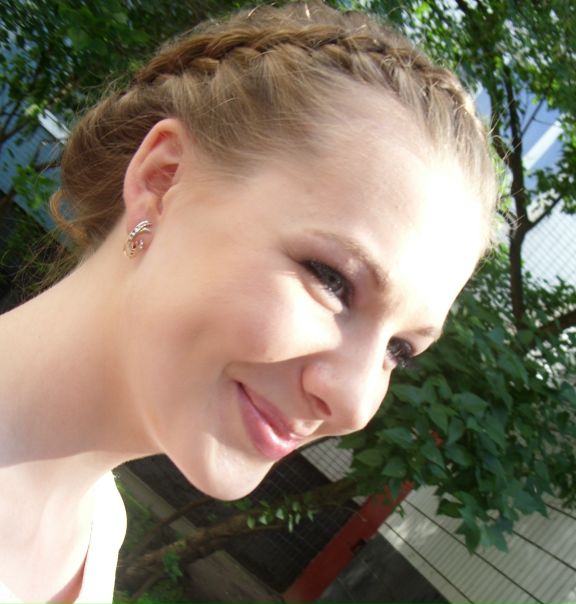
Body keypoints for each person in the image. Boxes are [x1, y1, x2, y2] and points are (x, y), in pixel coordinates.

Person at [0, 1, 498, 602]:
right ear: (163, 180)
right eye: (332, 280)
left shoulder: (100, 530)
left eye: (400, 350)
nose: (355, 402)